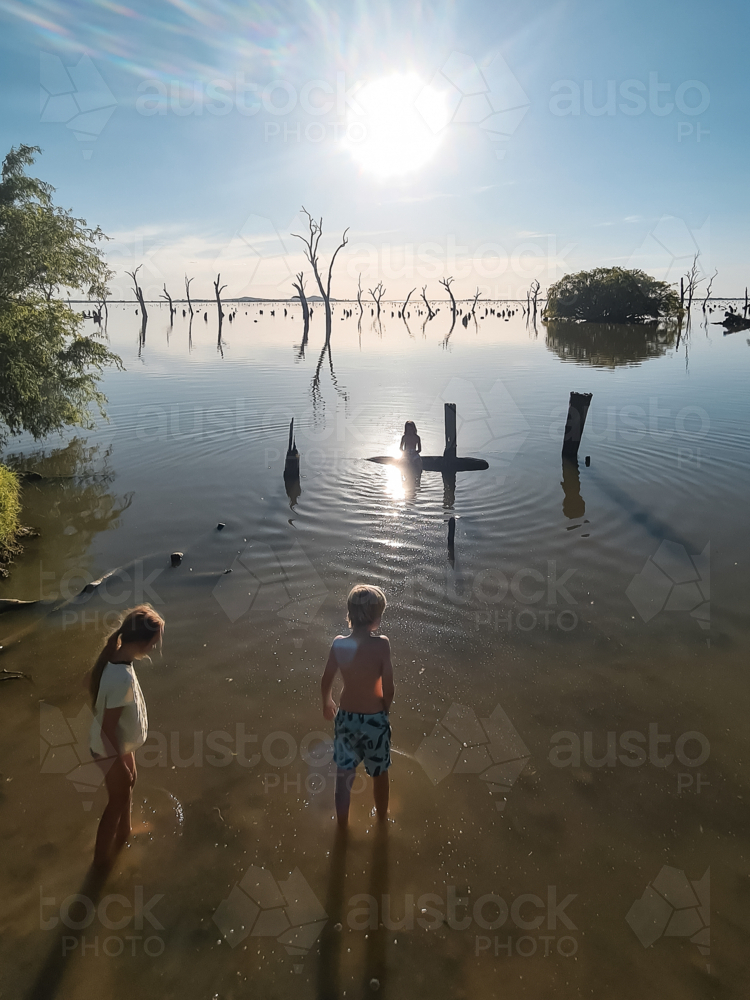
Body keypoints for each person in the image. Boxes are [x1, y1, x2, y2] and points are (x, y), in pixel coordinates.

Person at [87, 605, 165, 869]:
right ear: (142, 642)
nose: (155, 647)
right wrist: (117, 764)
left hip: (119, 744)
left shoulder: (118, 661)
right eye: (154, 642)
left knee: (130, 784)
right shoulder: (120, 678)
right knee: (116, 801)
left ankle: (126, 832)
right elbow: (106, 730)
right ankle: (100, 864)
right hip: (108, 748)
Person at [321, 585, 394, 828]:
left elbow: (327, 678)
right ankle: (382, 820)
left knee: (344, 775)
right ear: (375, 618)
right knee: (380, 774)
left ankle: (342, 826)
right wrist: (385, 710)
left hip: (347, 718)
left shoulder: (339, 644)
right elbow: (389, 686)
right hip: (375, 718)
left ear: (350, 615)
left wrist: (327, 702)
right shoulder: (381, 645)